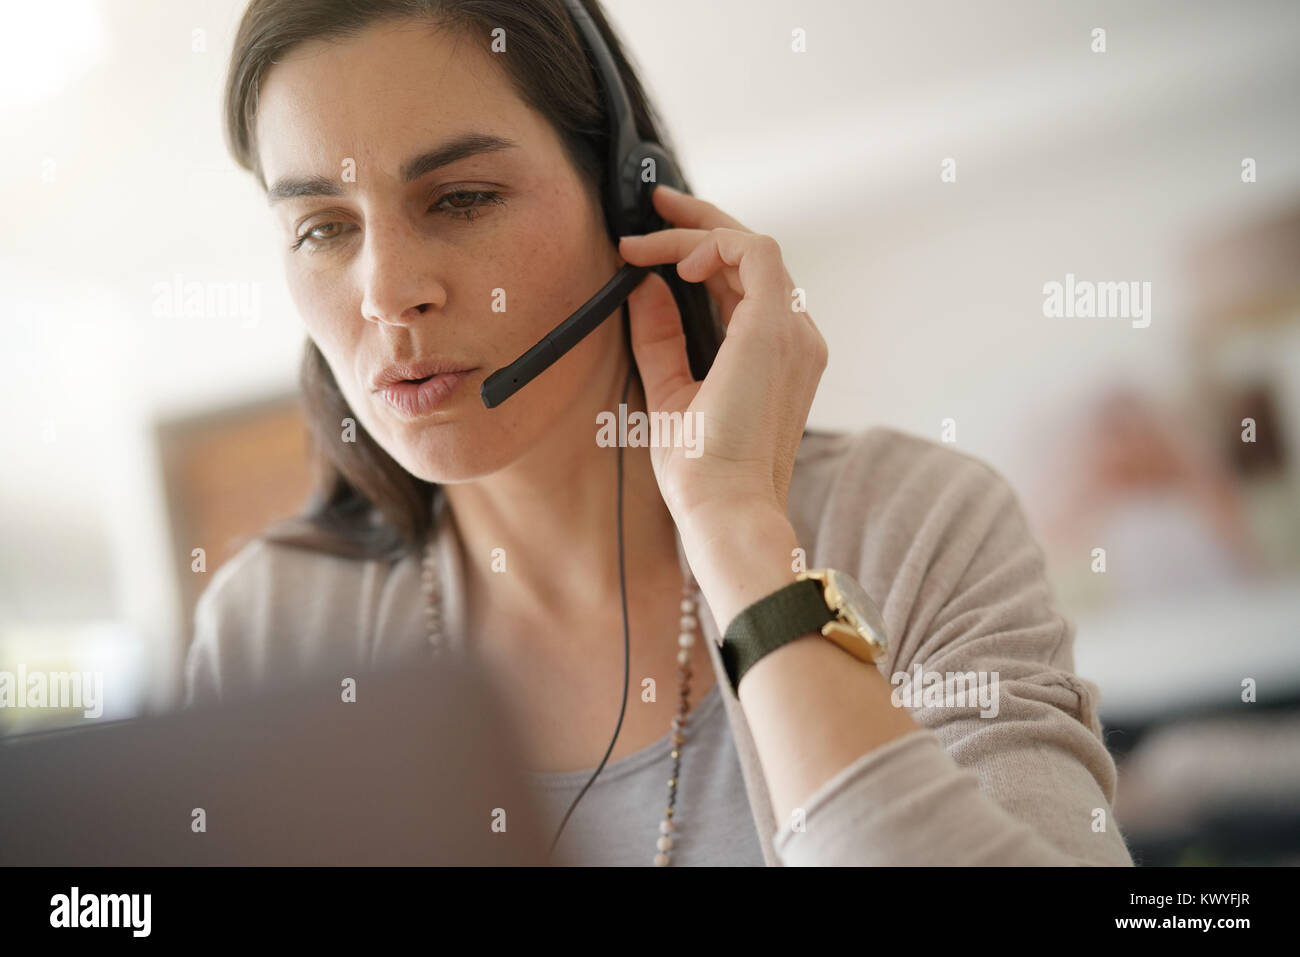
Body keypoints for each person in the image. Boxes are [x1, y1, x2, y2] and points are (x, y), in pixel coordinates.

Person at [186, 0, 1135, 867]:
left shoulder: (916, 527)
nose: (389, 293)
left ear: (630, 201)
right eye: (320, 228)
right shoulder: (271, 634)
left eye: (461, 198)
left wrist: (741, 541)